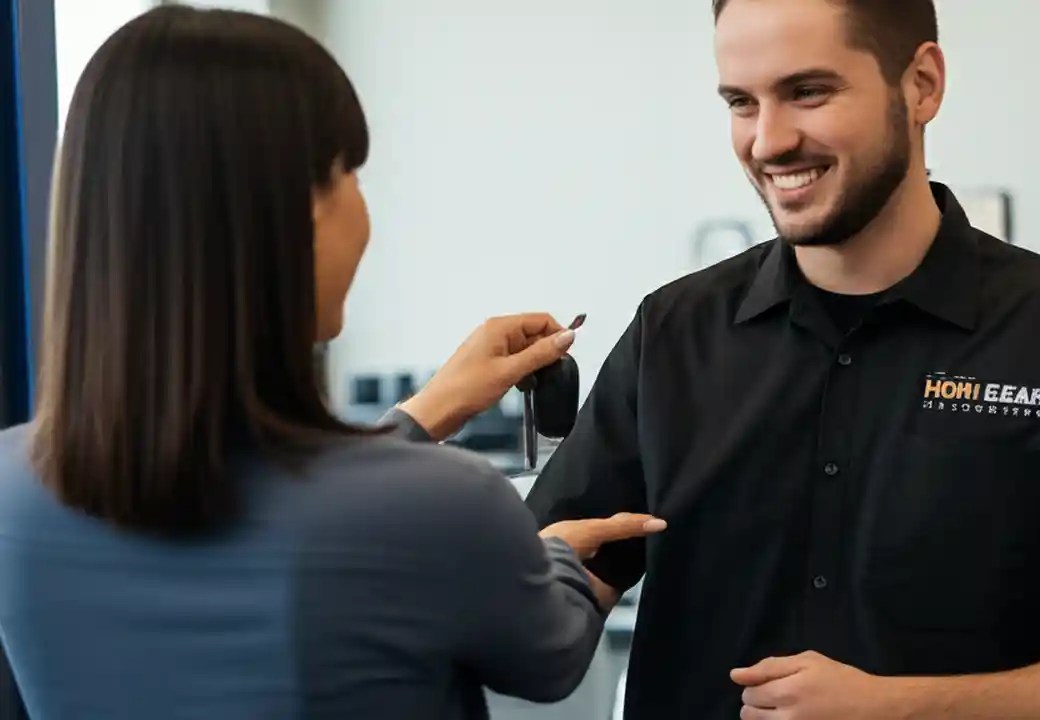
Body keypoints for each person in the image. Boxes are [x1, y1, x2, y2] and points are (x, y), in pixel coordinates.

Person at [524, 0, 1040, 718]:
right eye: (741, 103)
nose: (769, 141)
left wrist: (902, 709)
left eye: (808, 92)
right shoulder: (674, 335)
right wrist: (422, 446)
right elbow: (542, 600)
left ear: (922, 85)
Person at [0, 6, 663, 719]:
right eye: (349, 171)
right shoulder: (450, 503)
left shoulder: (12, 489)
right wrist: (559, 562)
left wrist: (414, 422)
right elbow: (549, 658)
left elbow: (280, 508)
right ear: (300, 211)